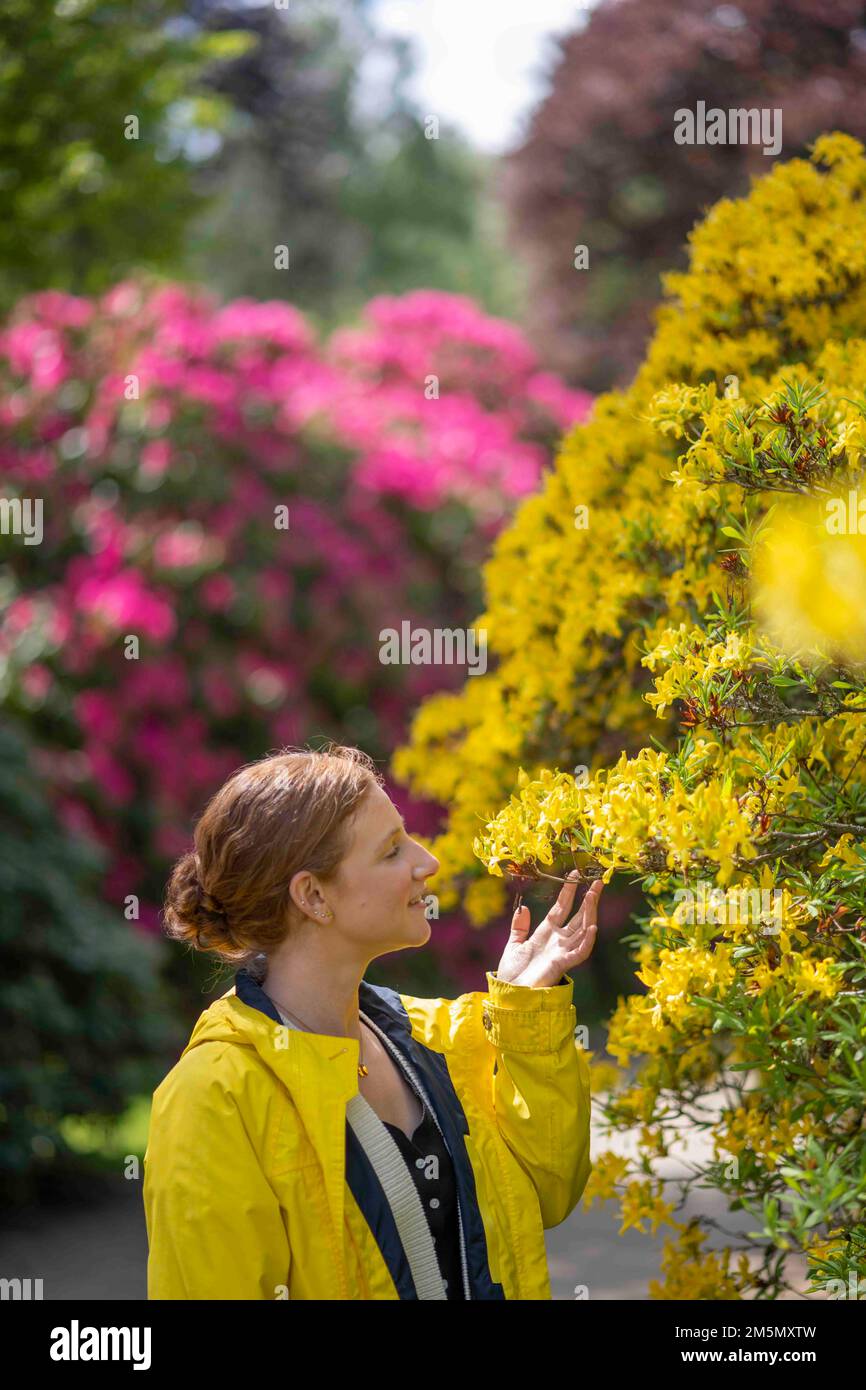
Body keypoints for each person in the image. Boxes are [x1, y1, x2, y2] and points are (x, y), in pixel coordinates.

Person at [143, 741, 603, 1300]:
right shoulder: (213, 1098)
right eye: (391, 851)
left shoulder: (441, 1038)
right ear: (313, 896)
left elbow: (549, 1192)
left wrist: (526, 1012)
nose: (427, 863)